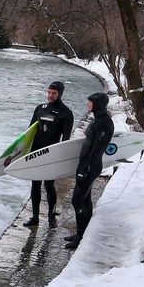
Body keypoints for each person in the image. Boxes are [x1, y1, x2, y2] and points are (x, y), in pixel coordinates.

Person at [65, 92, 114, 250]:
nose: (87, 105)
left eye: (90, 102)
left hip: (90, 166)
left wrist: (84, 169)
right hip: (86, 165)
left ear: (97, 104)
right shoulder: (98, 120)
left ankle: (80, 237)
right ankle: (82, 233)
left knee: (77, 200)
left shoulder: (104, 123)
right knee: (84, 200)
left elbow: (96, 150)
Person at [23, 81, 73, 229]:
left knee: (49, 184)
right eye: (49, 92)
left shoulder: (66, 113)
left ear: (60, 94)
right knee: (35, 184)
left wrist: (60, 158)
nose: (50, 95)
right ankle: (35, 217)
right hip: (36, 152)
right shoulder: (40, 108)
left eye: (54, 93)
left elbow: (66, 139)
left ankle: (52, 218)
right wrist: (22, 152)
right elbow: (29, 132)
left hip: (51, 153)